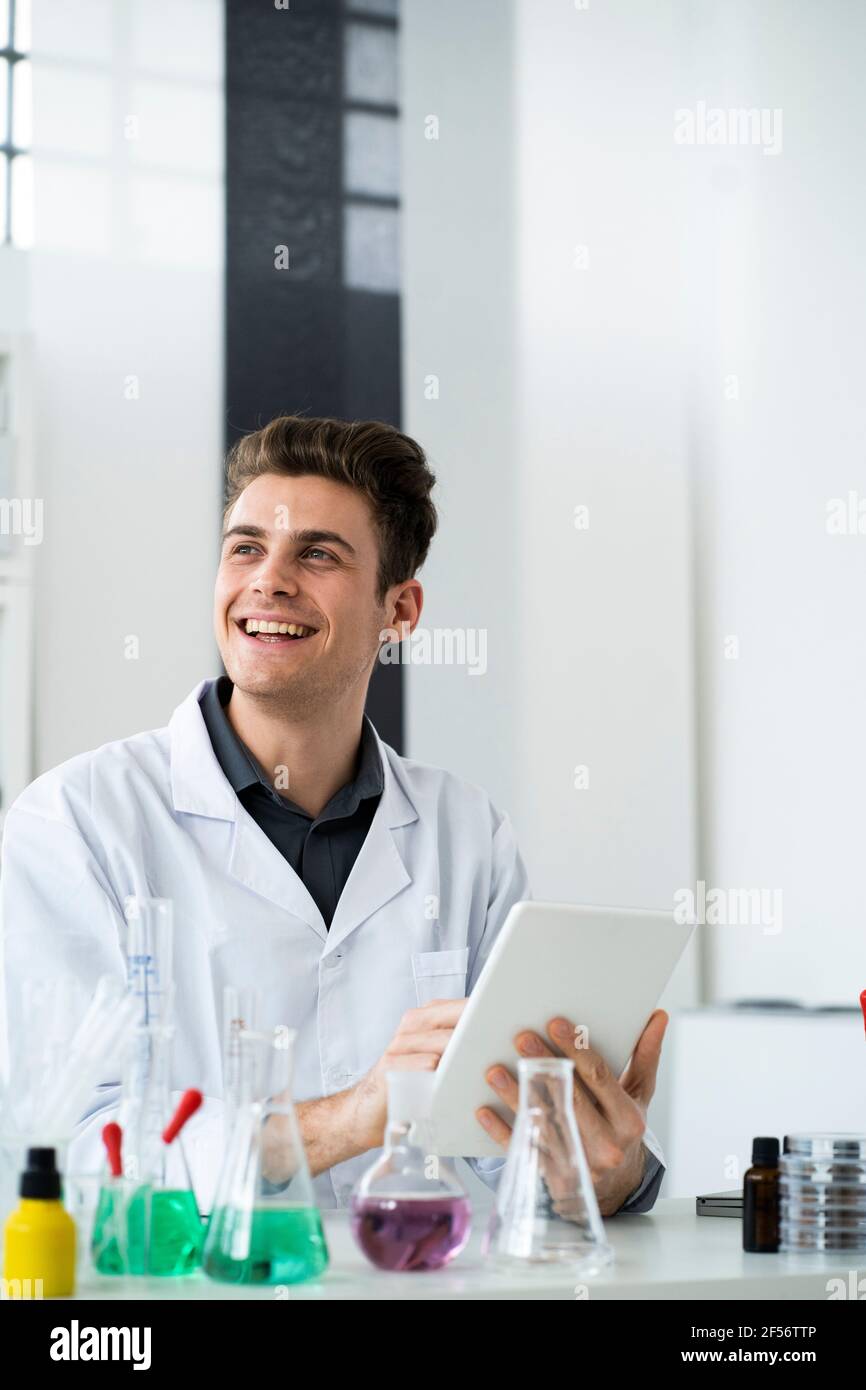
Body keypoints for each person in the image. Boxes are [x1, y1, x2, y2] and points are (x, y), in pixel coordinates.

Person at [0, 415, 667, 1215]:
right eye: (245, 547)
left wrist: (601, 1169)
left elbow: (496, 1145)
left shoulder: (465, 833)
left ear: (402, 611)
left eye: (317, 553)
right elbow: (70, 1149)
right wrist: (354, 1116)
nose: (269, 579)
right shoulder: (76, 823)